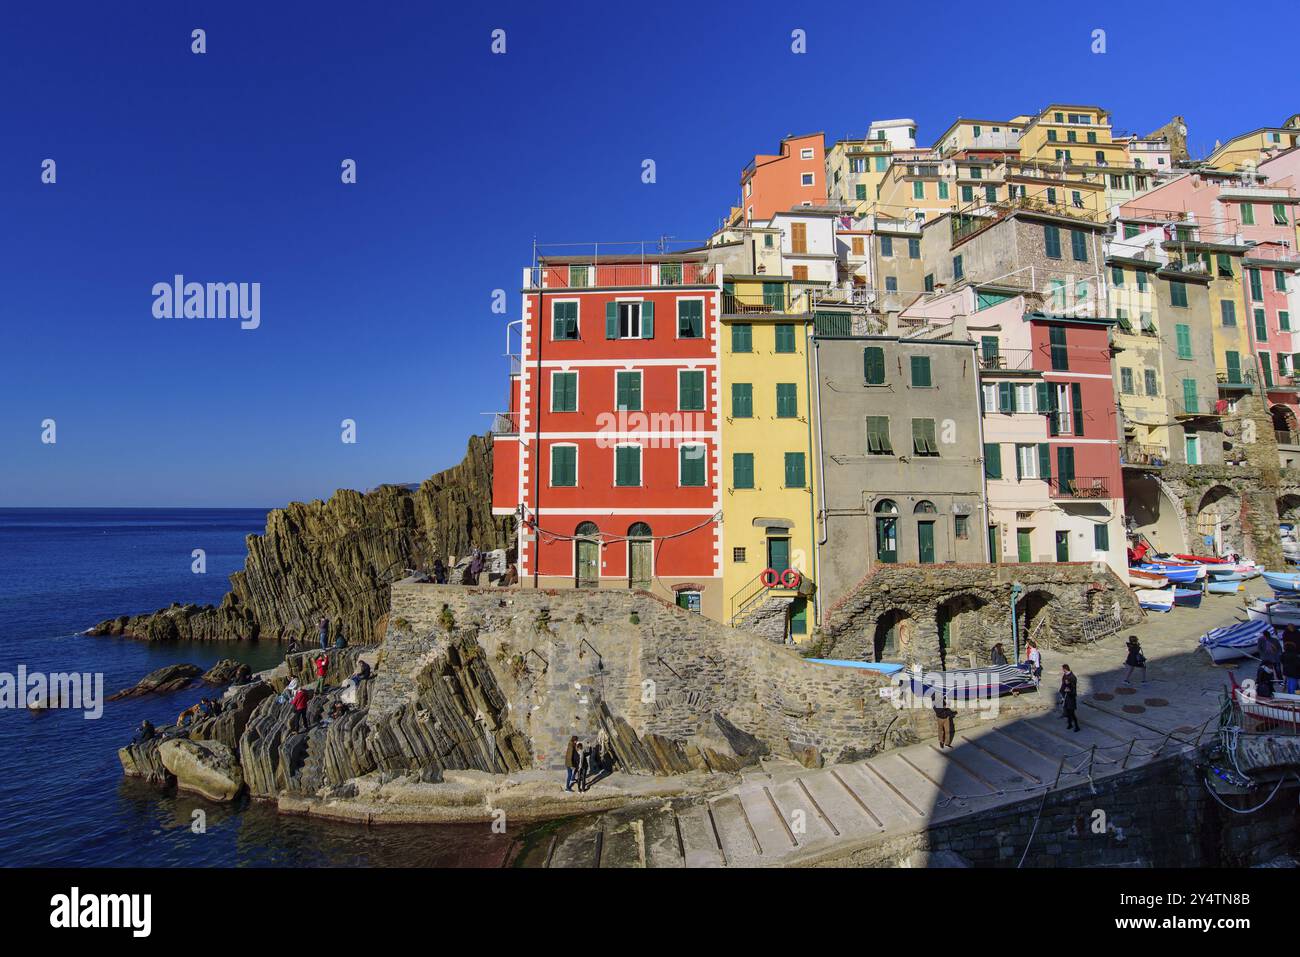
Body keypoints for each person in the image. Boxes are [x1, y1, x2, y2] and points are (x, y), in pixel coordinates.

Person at [1060, 664, 1080, 732]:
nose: (1062, 670)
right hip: (1066, 697)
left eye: (1063, 669)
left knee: (1072, 713)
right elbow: (1063, 684)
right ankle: (1070, 724)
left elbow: (1074, 689)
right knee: (1067, 712)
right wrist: (1062, 691)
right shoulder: (1065, 675)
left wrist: (1069, 691)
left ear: (1065, 669)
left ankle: (1077, 726)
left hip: (1071, 698)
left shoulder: (1072, 677)